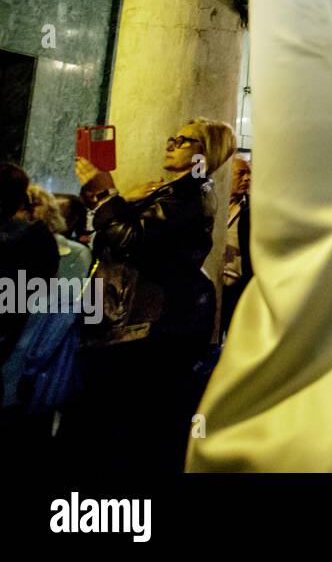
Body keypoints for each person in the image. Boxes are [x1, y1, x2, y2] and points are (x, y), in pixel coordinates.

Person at [69, 118, 235, 471]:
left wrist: (108, 198)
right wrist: (119, 201)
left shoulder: (189, 196)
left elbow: (133, 242)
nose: (172, 143)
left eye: (185, 141)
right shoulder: (167, 192)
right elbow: (110, 241)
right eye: (174, 137)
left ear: (205, 155)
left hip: (139, 326)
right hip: (124, 317)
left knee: (121, 432)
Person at [0, 183, 92, 445]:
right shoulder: (12, 247)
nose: (24, 213)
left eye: (31, 205)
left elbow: (76, 309)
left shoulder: (74, 254)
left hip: (38, 356)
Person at [219, 154, 252, 339]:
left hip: (237, 289)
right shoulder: (211, 205)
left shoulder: (252, 212)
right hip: (212, 290)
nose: (247, 178)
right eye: (241, 173)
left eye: (249, 174)